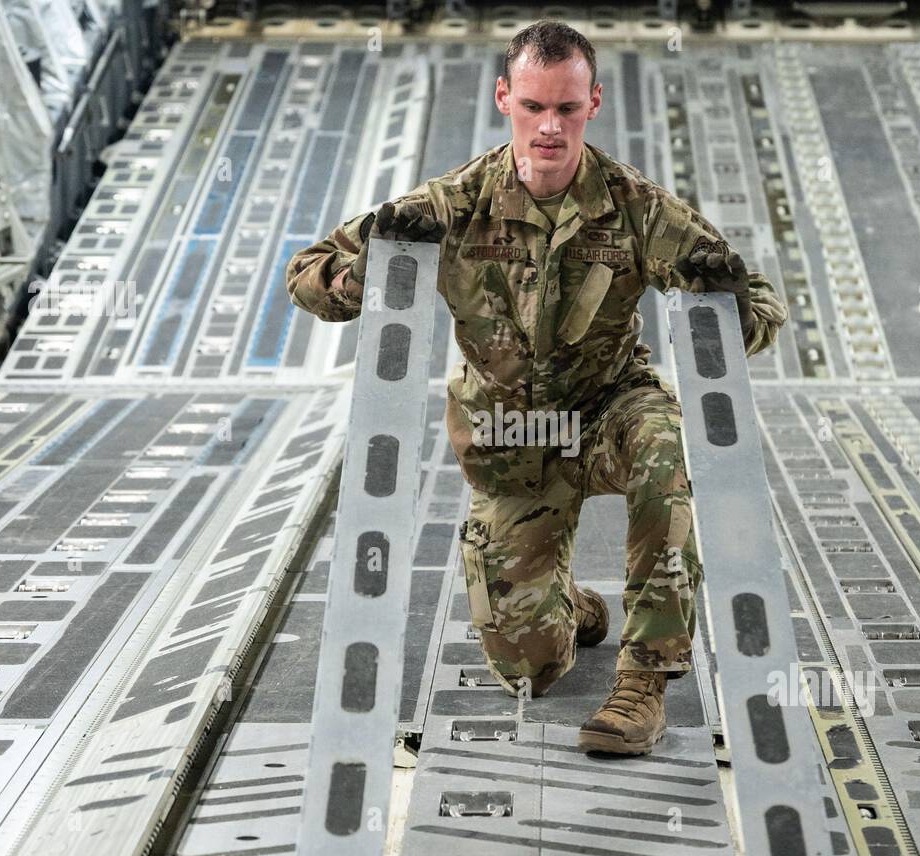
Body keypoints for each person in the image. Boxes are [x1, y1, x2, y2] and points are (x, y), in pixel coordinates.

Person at [287, 20, 786, 755]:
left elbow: (763, 301)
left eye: (566, 108)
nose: (549, 127)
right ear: (503, 99)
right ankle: (572, 610)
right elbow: (308, 271)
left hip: (609, 410)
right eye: (532, 106)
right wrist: (355, 276)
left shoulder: (633, 206)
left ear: (594, 104)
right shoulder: (453, 205)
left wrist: (727, 314)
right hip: (512, 445)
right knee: (529, 667)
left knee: (664, 453)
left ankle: (643, 684)